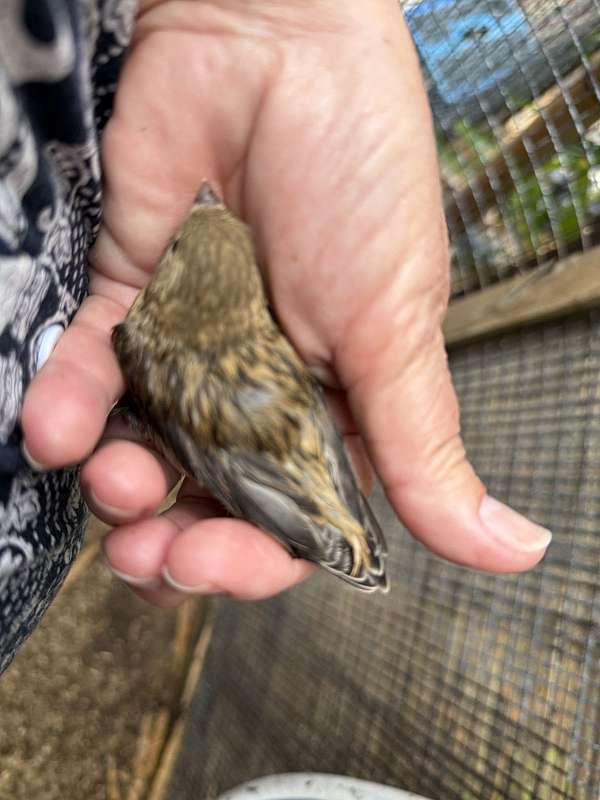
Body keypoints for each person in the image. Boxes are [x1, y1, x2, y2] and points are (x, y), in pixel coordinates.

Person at [1, 0, 551, 672]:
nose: (205, 198)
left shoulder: (152, 340)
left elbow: (232, 457)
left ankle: (339, 536)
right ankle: (342, 538)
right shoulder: (164, 342)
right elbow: (227, 457)